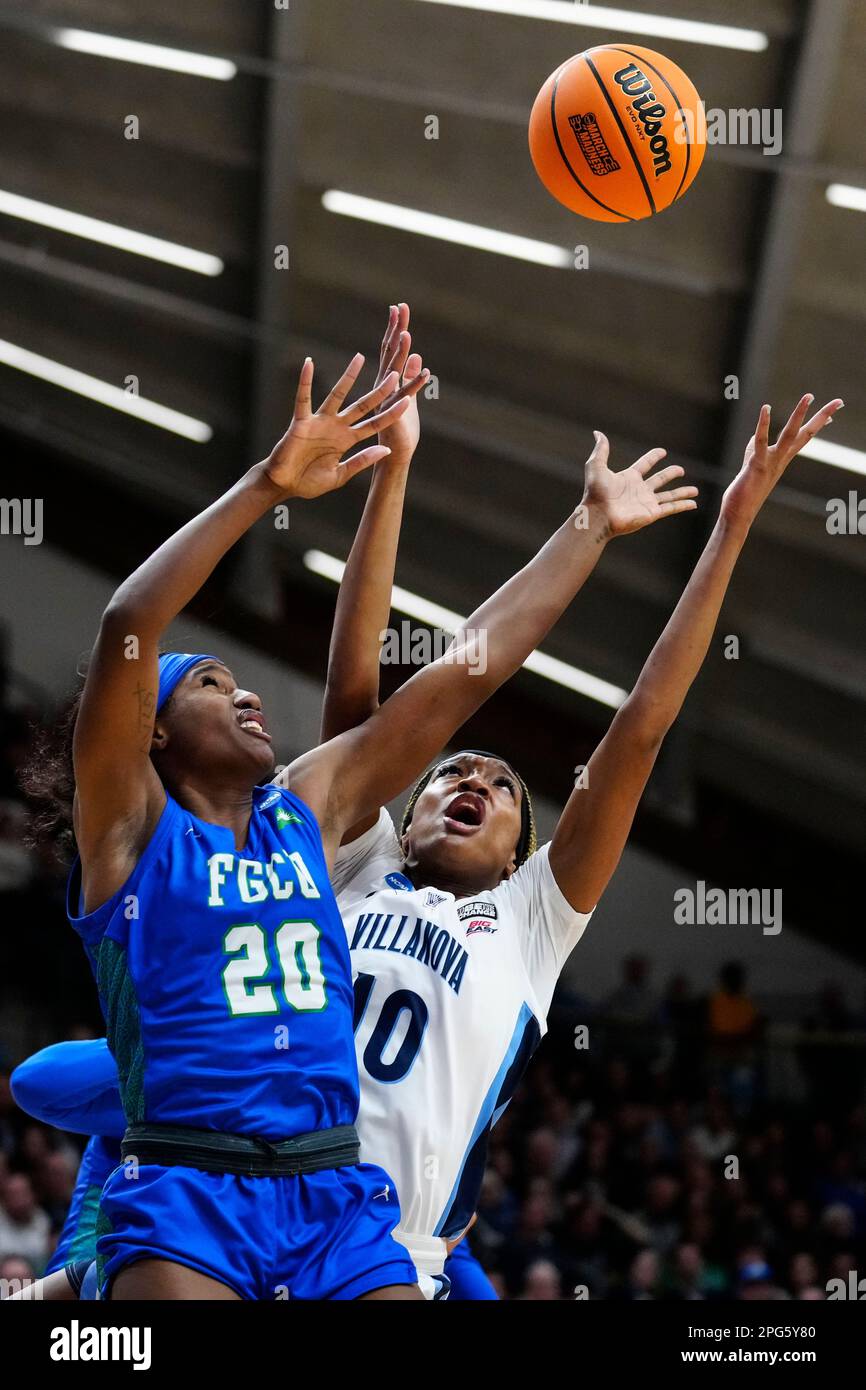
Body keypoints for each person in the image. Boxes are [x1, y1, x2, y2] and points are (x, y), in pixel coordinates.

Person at [12, 304, 697, 1300]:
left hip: (336, 1194)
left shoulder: (305, 808)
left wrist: (588, 525)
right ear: (149, 734)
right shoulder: (128, 833)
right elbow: (129, 620)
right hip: (192, 1178)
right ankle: (70, 1287)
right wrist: (266, 485)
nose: (245, 693)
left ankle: (65, 1293)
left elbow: (464, 670)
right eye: (209, 684)